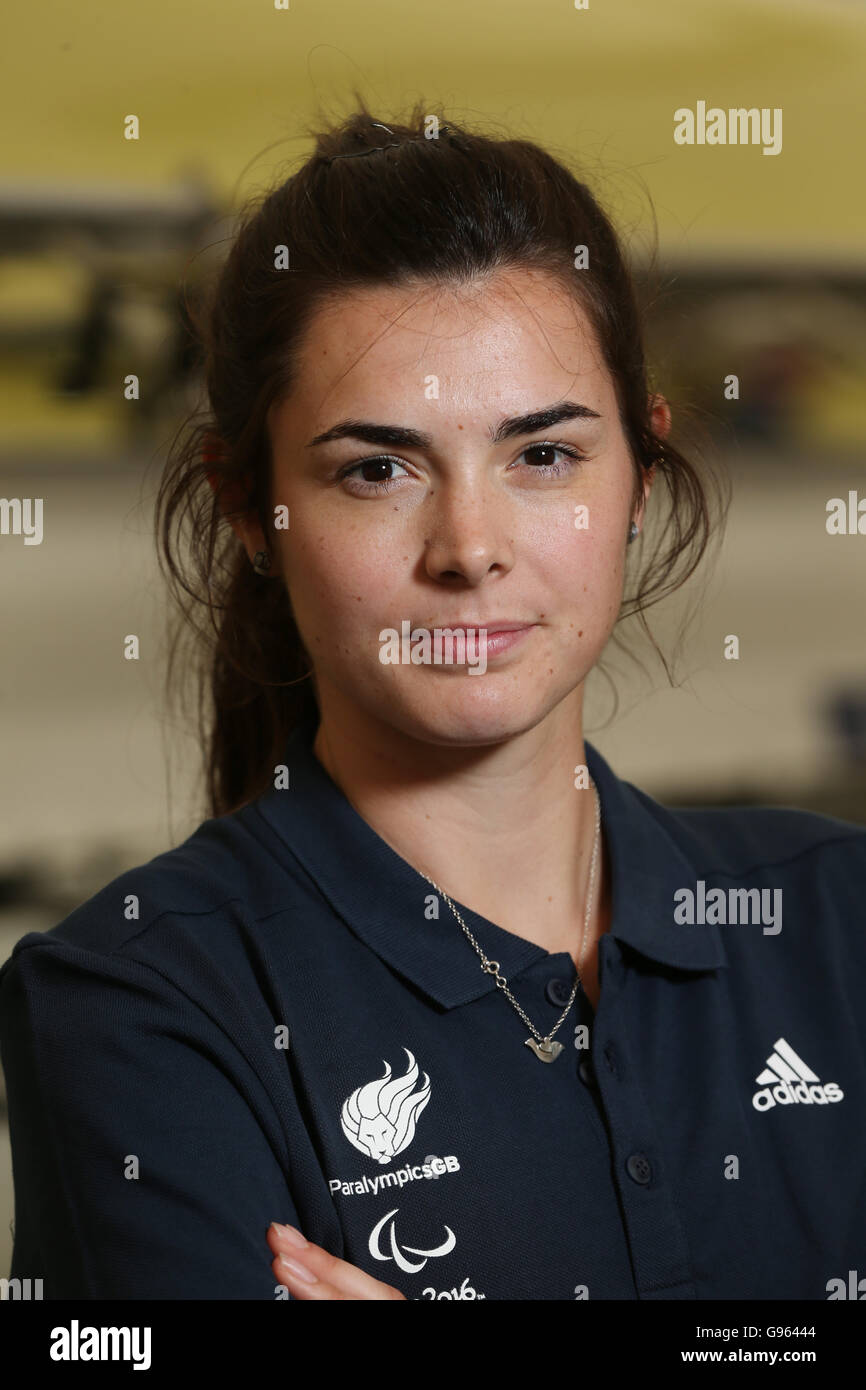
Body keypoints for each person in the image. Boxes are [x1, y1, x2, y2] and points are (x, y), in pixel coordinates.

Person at [2, 101, 865, 1303]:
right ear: (251, 506)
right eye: (376, 469)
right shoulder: (138, 1005)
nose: (468, 547)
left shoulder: (834, 919)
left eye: (543, 455)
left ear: (639, 476)